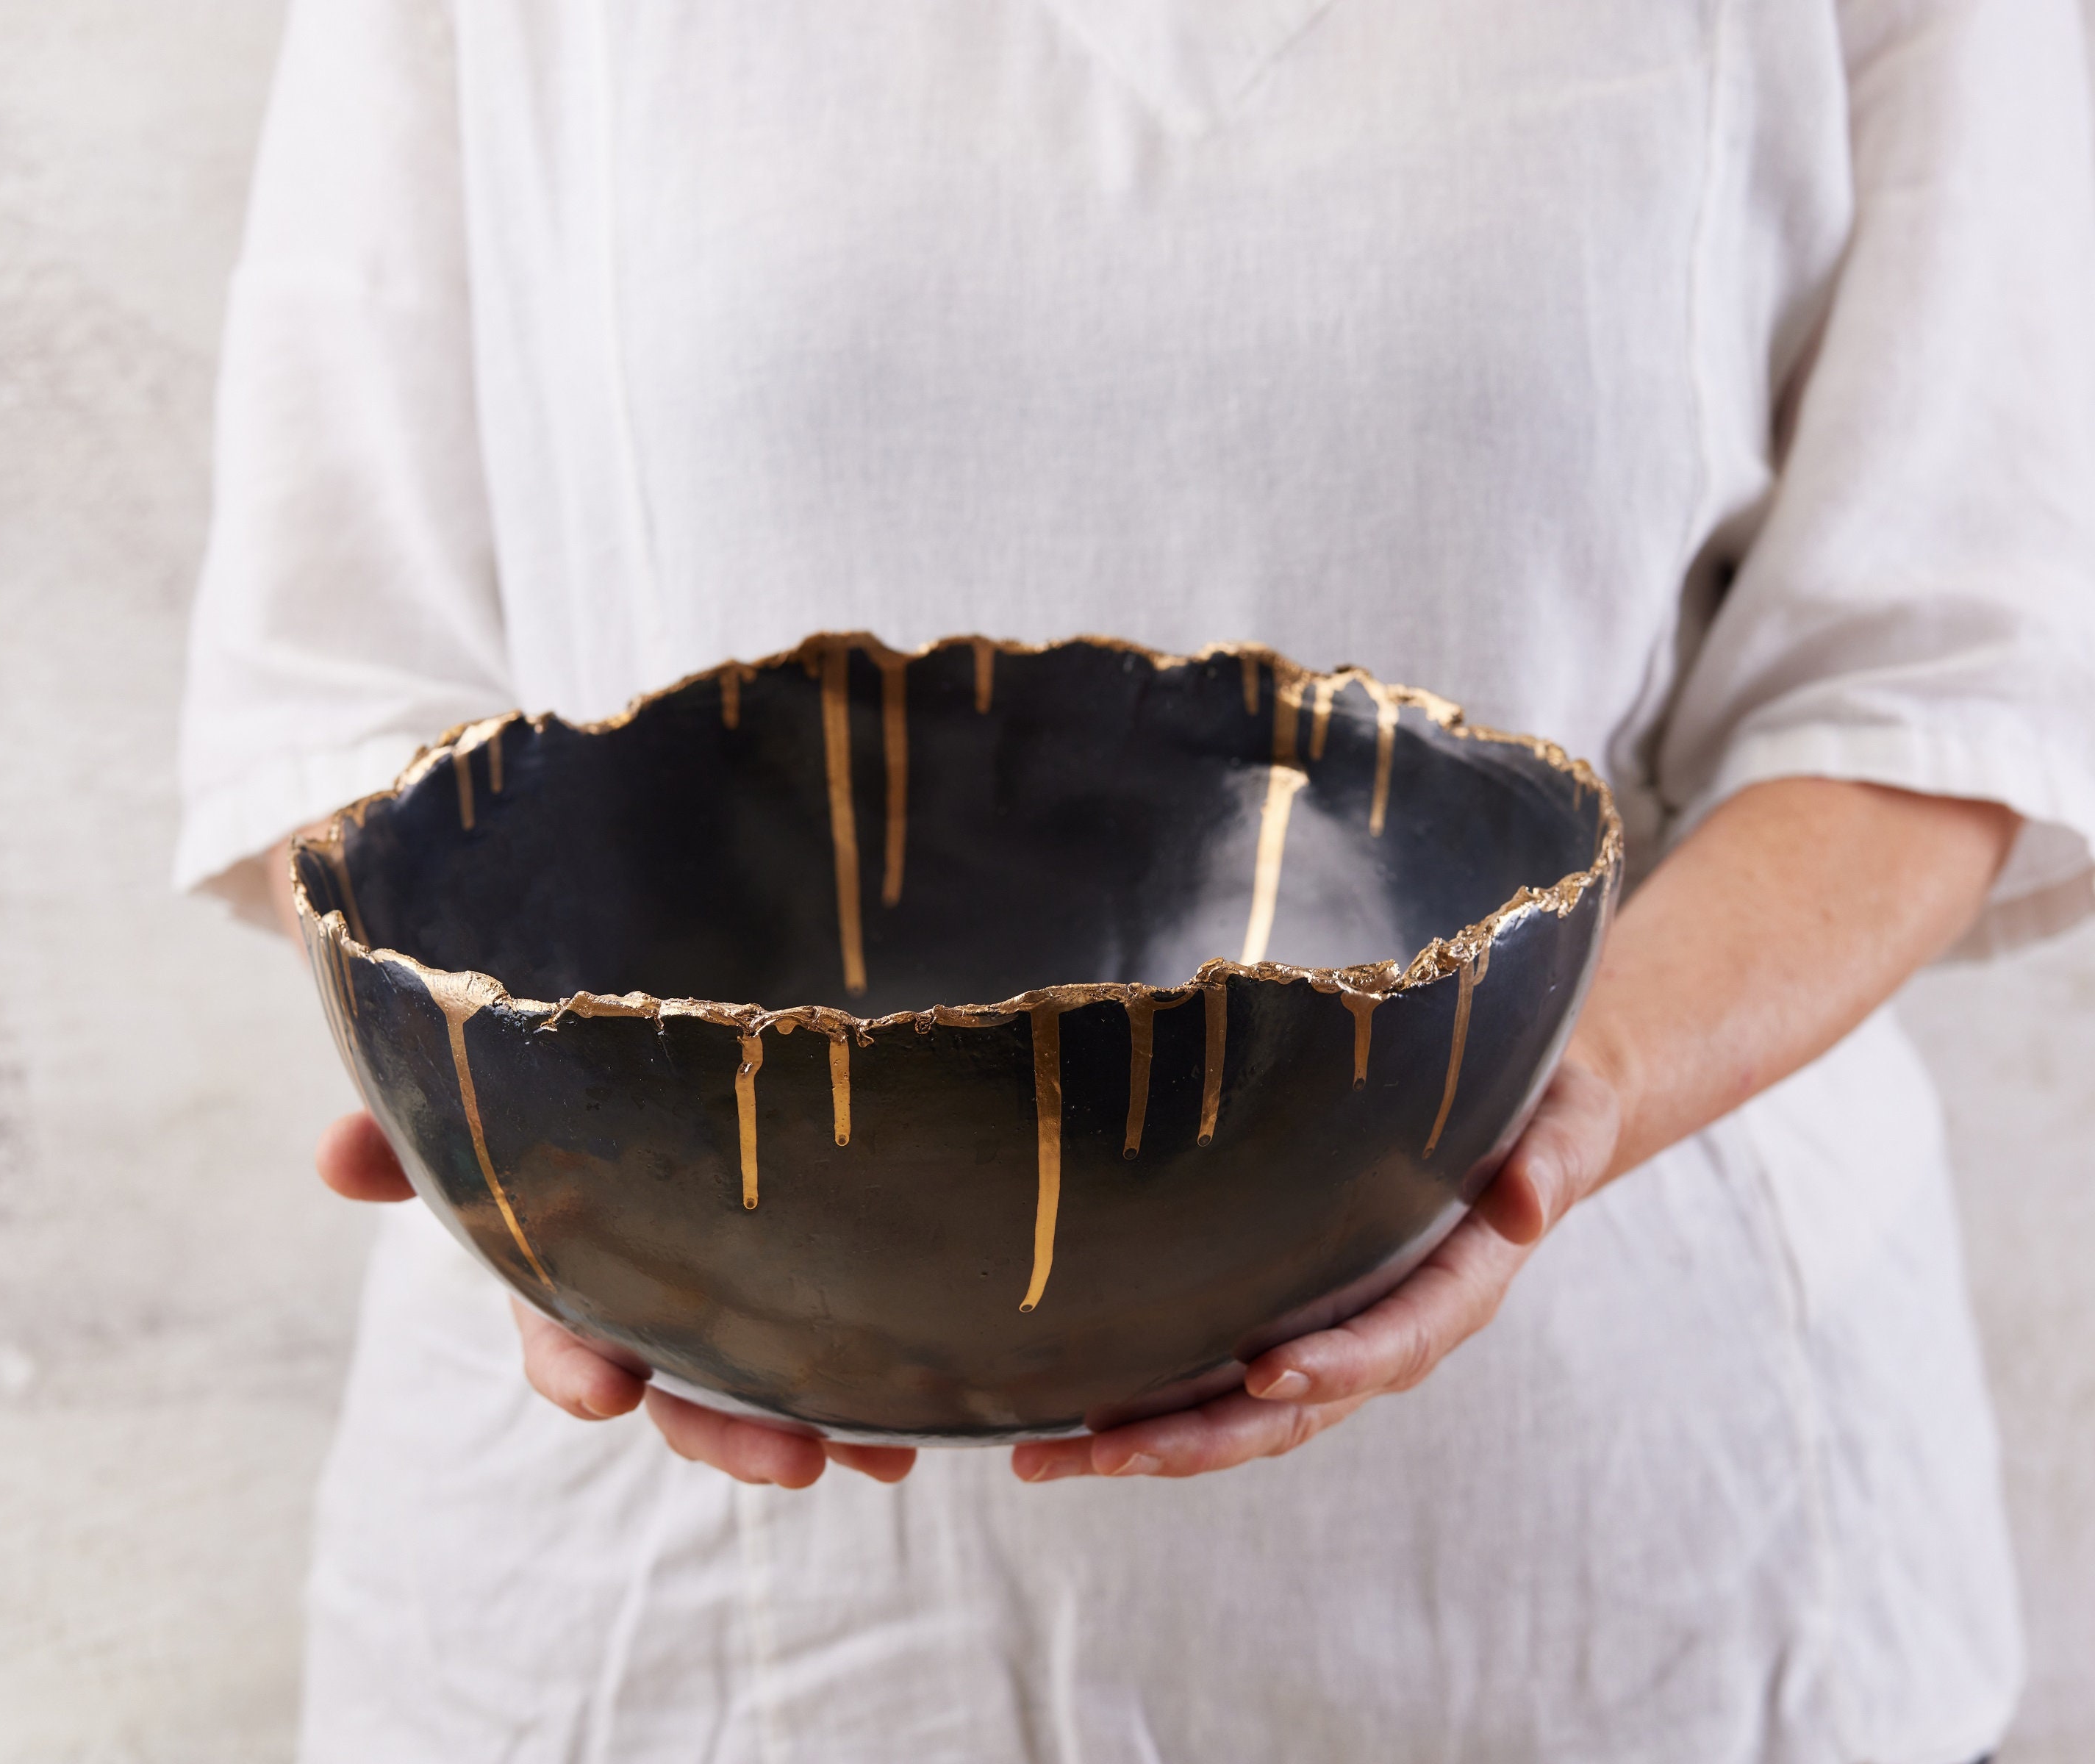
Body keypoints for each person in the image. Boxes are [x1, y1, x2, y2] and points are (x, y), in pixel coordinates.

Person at [176, 1, 2095, 1758]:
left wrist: (1572, 1106)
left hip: (1625, 1565)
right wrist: (499, 1118)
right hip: (672, 1595)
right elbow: (345, 692)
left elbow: (1931, 686)